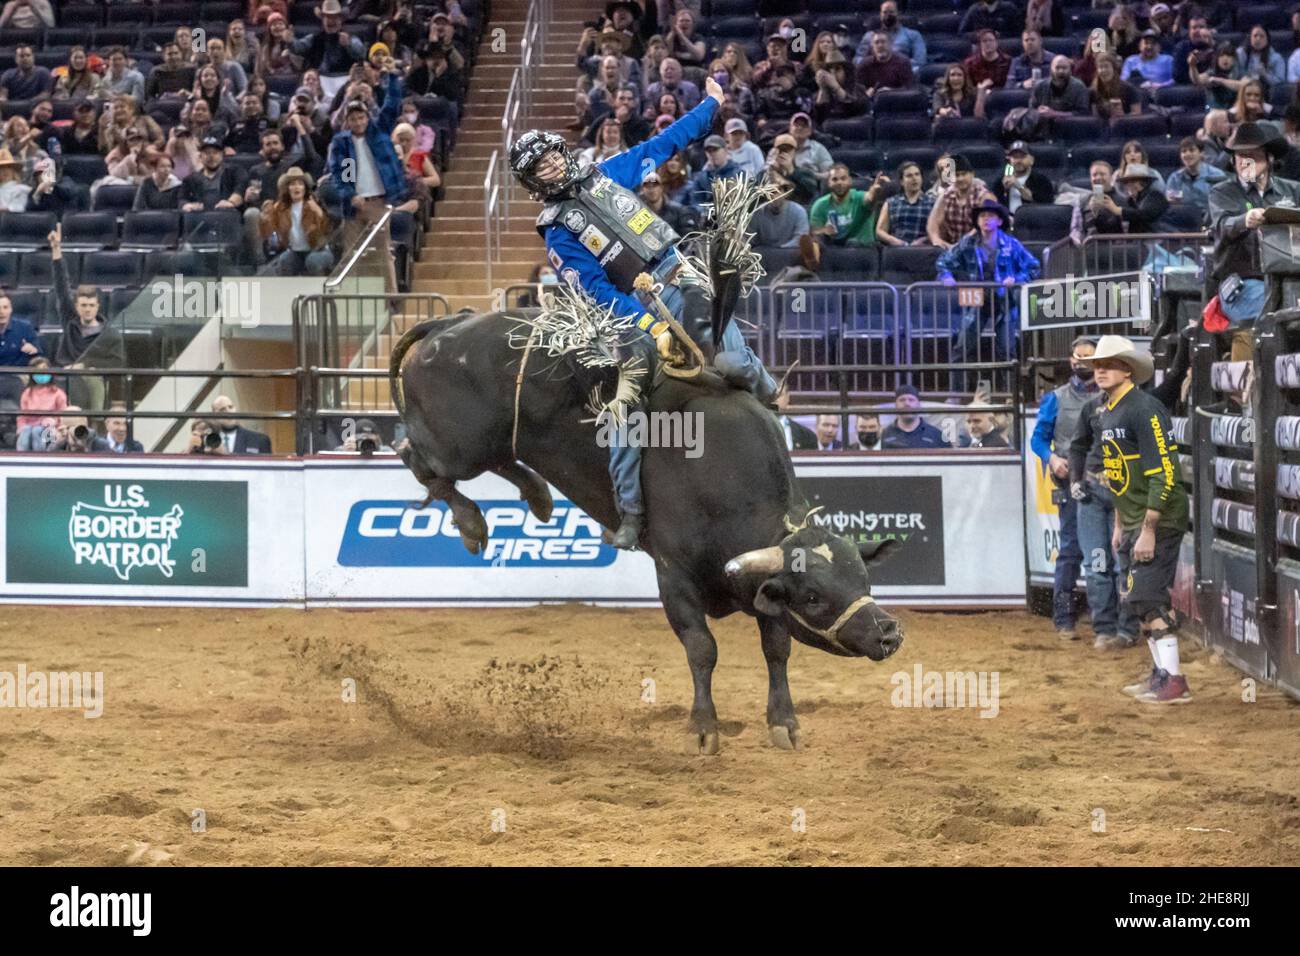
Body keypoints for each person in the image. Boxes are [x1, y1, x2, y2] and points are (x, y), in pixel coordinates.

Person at [510, 75, 775, 548]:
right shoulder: (557, 232)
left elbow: (665, 141)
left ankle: (768, 393)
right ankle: (629, 511)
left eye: (553, 155)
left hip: (682, 275)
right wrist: (650, 326)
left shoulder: (609, 173)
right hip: (635, 310)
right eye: (541, 166)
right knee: (625, 411)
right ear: (534, 182)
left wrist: (712, 103)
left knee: (732, 362)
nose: (552, 165)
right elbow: (593, 290)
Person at [1077, 336, 1192, 704]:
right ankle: (1162, 674)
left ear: (1128, 369)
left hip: (1156, 519)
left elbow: (1165, 471)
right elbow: (1117, 475)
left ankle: (1174, 680)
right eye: (1097, 365)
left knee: (1146, 596)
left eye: (1109, 364)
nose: (1101, 370)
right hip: (1132, 519)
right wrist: (1118, 524)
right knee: (1139, 599)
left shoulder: (1144, 409)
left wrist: (1147, 529)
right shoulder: (1107, 412)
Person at [1208, 122, 1300, 362]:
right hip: (1243, 282)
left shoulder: (1292, 191)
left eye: (1253, 155)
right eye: (1240, 155)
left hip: (1290, 279)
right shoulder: (1222, 193)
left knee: (1287, 301)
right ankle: (1258, 381)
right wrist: (1244, 220)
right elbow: (1222, 226)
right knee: (1271, 306)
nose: (1245, 161)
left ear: (1268, 158)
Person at [1032, 337, 1103, 641]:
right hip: (1070, 476)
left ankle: (1106, 619)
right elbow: (1038, 438)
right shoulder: (1056, 398)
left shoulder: (1109, 396)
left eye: (1090, 358)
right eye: (1080, 357)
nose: (1083, 363)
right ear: (1072, 360)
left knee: (1102, 549)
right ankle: (1064, 618)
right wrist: (1051, 458)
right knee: (1071, 548)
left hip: (1103, 476)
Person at [937, 198, 1041, 390]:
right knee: (961, 347)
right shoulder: (967, 243)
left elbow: (1033, 267)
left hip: (1005, 302)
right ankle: (956, 393)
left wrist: (1017, 279)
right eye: (983, 216)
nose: (986, 219)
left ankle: (1011, 394)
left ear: (1000, 221)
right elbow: (943, 262)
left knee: (1007, 350)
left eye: (991, 216)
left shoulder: (1011, 244)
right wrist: (946, 277)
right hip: (976, 301)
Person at [328, 63, 406, 295]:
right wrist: (350, 195)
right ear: (348, 121)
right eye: (353, 119)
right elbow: (342, 174)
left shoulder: (379, 131)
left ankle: (391, 299)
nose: (358, 122)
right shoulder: (343, 143)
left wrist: (391, 77)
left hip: (379, 202)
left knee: (383, 253)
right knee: (351, 254)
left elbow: (392, 105)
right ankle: (350, 298)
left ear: (366, 116)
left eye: (361, 117)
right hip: (354, 207)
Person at [50, 227, 126, 411]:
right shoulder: (70, 321)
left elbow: (118, 363)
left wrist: (85, 365)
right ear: (77, 307)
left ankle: (91, 420)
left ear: (98, 306)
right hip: (67, 376)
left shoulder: (110, 334)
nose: (87, 310)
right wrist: (56, 250)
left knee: (86, 381)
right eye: (83, 305)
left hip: (93, 378)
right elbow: (61, 287)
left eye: (91, 305)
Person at [258, 166, 335, 276]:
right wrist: (265, 220)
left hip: (319, 250)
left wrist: (318, 212)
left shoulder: (314, 203)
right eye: (292, 184)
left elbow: (328, 229)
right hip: (296, 252)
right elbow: (270, 235)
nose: (296, 187)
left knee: (312, 261)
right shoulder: (280, 208)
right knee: (284, 261)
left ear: (305, 187)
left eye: (300, 183)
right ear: (287, 188)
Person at [927, 154, 995, 248]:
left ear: (972, 174)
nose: (960, 179)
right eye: (956, 175)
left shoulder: (984, 196)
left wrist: (961, 245)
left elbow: (983, 226)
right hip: (953, 248)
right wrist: (936, 240)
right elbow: (933, 223)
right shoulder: (946, 196)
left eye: (964, 174)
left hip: (982, 247)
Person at [810, 164, 886, 248]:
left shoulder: (859, 197)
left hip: (862, 249)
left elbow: (869, 199)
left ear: (850, 181)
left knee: (852, 243)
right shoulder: (820, 204)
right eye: (835, 179)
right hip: (833, 249)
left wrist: (873, 192)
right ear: (828, 183)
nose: (839, 183)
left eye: (843, 178)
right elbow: (815, 231)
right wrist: (824, 230)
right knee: (817, 240)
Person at [1092, 163, 1169, 234]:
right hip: (1137, 244)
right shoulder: (1130, 201)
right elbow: (1114, 226)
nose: (1128, 185)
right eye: (1126, 182)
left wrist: (1118, 210)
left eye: (1133, 181)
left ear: (1144, 182)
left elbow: (1144, 214)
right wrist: (1096, 213)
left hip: (1162, 240)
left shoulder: (1155, 196)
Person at [1165, 136, 1227, 217]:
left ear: (1202, 153)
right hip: (1184, 219)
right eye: (1183, 151)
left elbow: (1223, 204)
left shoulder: (1217, 175)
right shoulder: (1174, 178)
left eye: (1192, 150)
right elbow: (1173, 204)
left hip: (1212, 218)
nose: (1187, 154)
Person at [876, 161, 934, 246]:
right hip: (897, 250)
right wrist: (896, 241)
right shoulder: (891, 202)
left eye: (917, 174)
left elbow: (938, 231)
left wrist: (924, 240)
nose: (914, 178)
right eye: (909, 176)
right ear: (901, 182)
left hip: (923, 250)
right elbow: (880, 231)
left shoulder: (933, 202)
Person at [14, 356, 65, 451]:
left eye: (45, 369)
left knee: (36, 431)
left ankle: (40, 460)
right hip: (29, 428)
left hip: (51, 430)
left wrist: (52, 422)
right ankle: (21, 460)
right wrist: (21, 428)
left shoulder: (58, 393)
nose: (42, 373)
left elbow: (64, 417)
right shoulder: (27, 393)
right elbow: (22, 417)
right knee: (26, 431)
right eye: (38, 370)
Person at [0, 289, 41, 404]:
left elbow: (40, 357)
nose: (1, 312)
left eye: (5, 307)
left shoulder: (25, 328)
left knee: (16, 384)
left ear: (11, 309)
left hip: (19, 375)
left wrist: (32, 350)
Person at [860, 1, 926, 71]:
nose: (888, 15)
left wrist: (896, 65)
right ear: (880, 15)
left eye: (891, 12)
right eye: (885, 12)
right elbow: (858, 58)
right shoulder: (869, 36)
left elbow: (920, 60)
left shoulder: (913, 35)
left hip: (902, 73)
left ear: (898, 13)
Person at [881, 384, 951, 448]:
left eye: (911, 400)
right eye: (902, 400)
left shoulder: (936, 435)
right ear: (895, 405)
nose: (907, 403)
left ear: (919, 405)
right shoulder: (884, 435)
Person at [994, 140, 1053, 215]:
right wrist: (1004, 190)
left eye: (1022, 157)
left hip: (1033, 220)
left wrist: (1019, 186)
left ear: (1032, 160)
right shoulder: (1000, 181)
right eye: (1015, 157)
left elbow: (1045, 206)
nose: (1018, 161)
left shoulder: (1042, 181)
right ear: (1009, 160)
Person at [685, 134, 743, 206]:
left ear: (725, 150)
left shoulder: (738, 173)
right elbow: (696, 202)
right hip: (707, 215)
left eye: (715, 150)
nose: (712, 154)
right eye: (709, 151)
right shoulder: (701, 177)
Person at [751, 180, 809, 249]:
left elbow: (800, 239)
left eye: (777, 191)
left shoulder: (799, 211)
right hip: (765, 254)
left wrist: (780, 249)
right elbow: (750, 239)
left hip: (789, 252)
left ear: (785, 193)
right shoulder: (757, 212)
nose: (774, 196)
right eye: (770, 192)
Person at [636, 170, 698, 235]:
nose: (651, 189)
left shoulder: (679, 211)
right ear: (642, 190)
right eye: (647, 186)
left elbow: (689, 237)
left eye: (655, 185)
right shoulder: (638, 213)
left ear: (661, 188)